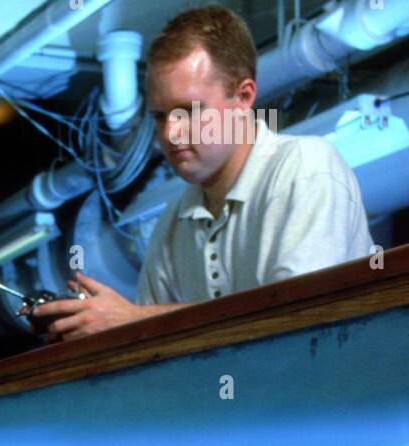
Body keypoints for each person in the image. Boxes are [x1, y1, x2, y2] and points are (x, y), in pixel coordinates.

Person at [28, 4, 373, 341]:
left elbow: (296, 318)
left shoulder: (306, 168)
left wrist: (132, 321)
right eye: (160, 117)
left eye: (189, 111)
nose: (171, 134)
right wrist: (90, 331)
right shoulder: (173, 223)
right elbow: (156, 350)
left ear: (243, 97)